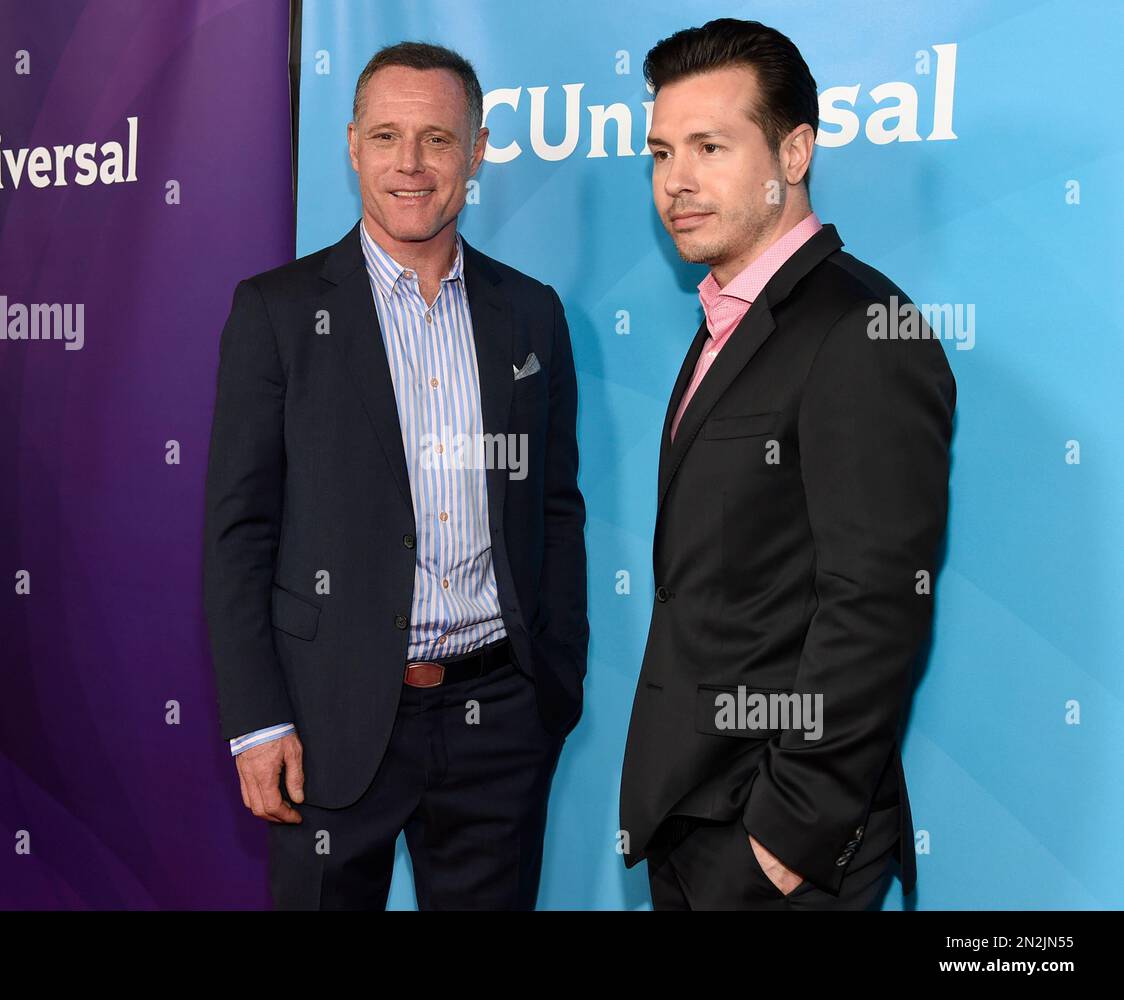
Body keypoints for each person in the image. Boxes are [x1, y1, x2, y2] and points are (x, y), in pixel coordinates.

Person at [203, 41, 588, 910]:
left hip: (498, 719)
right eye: (386, 136)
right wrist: (258, 722)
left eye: (437, 139)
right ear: (350, 146)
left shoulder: (531, 312)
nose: (410, 165)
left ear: (478, 150)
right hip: (326, 720)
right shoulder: (277, 313)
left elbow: (556, 512)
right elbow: (239, 533)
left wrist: (553, 686)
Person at [619, 18, 956, 910]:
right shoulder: (730, 319)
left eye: (709, 147)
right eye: (660, 152)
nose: (676, 181)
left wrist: (785, 837)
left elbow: (877, 603)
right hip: (693, 812)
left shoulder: (863, 332)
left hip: (778, 848)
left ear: (794, 150)